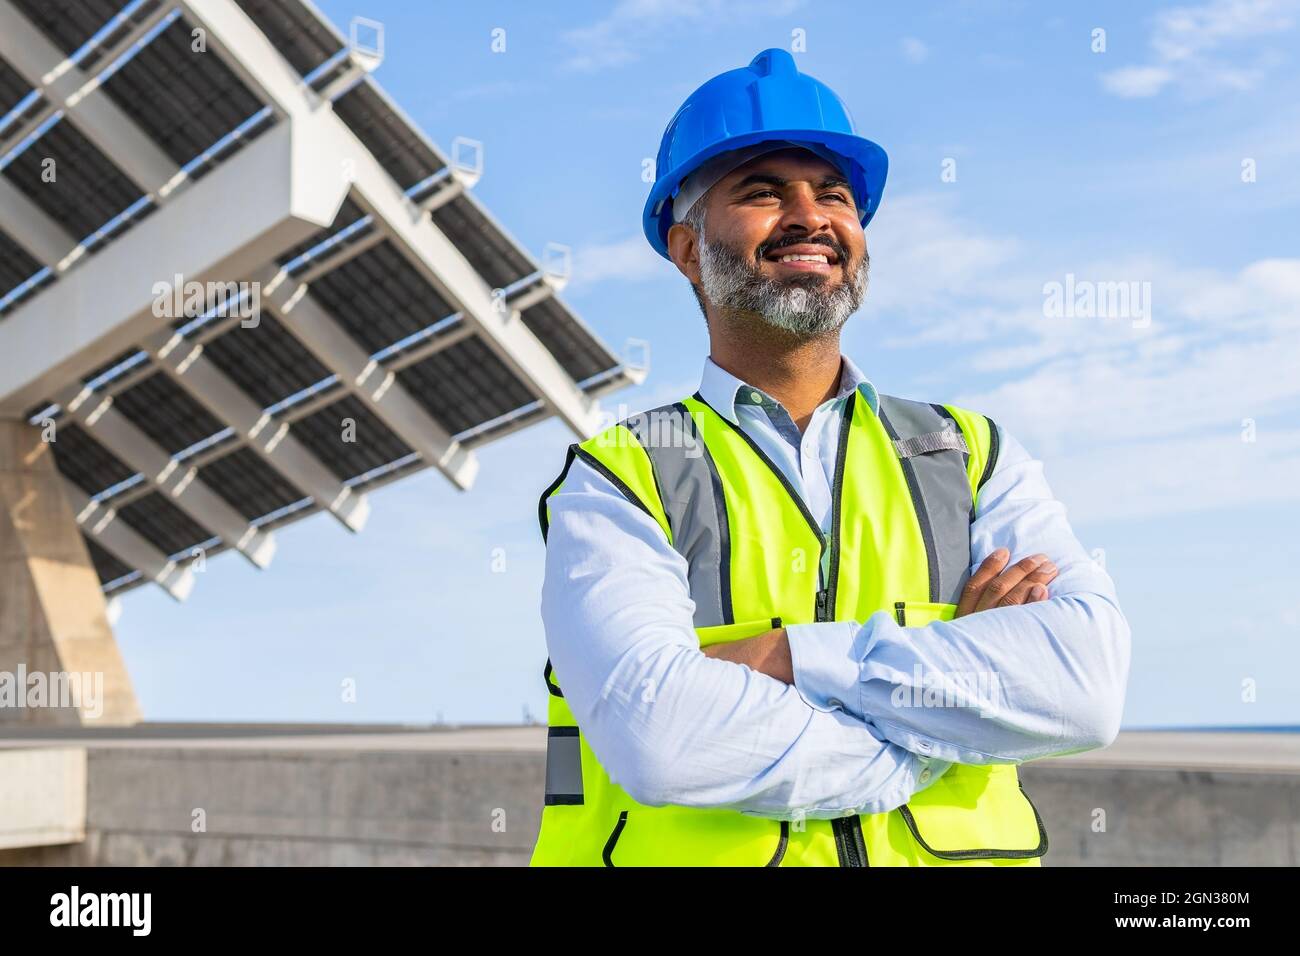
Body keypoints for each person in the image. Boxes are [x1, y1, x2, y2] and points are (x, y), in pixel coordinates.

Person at [530, 48, 1131, 866]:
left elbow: (1083, 687)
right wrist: (934, 723)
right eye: (762, 191)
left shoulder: (974, 454)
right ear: (684, 248)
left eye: (834, 195)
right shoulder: (621, 475)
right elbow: (658, 736)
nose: (810, 216)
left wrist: (787, 659)